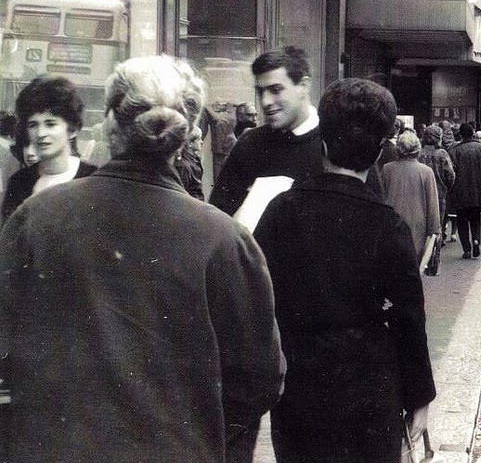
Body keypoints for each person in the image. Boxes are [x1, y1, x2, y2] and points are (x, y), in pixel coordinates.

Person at [0, 55, 285, 463]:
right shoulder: (224, 239)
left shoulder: (36, 216)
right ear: (188, 136)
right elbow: (261, 380)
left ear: (110, 126)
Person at [252, 78, 435, 463]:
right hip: (371, 392)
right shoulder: (388, 225)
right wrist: (420, 395)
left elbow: (260, 303)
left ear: (322, 142)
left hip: (300, 392)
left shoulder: (282, 211)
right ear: (378, 153)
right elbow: (408, 318)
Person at [210, 46, 324, 216]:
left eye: (275, 90)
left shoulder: (337, 143)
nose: (265, 101)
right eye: (260, 91)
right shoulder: (249, 144)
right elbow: (219, 216)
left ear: (303, 86)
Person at [2, 75, 98, 220]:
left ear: (72, 130)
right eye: (33, 125)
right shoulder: (19, 182)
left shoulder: (92, 178)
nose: (41, 133)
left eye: (50, 124)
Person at [382, 130, 441, 261]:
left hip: (392, 225)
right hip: (418, 228)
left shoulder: (387, 169)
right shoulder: (426, 172)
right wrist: (435, 232)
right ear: (417, 149)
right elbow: (433, 206)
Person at [448, 122, 481, 259]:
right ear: (473, 132)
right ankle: (476, 241)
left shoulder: (455, 151)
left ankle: (467, 249)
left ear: (461, 134)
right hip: (479, 192)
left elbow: (452, 173)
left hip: (460, 193)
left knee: (462, 221)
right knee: (475, 219)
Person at [418, 124, 456, 248]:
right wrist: (446, 188)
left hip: (420, 194)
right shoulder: (442, 154)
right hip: (439, 193)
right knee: (437, 222)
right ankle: (436, 246)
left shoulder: (418, 153)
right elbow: (450, 175)